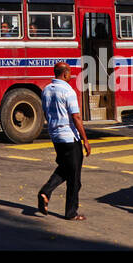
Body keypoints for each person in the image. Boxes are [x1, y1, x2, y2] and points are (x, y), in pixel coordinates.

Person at [38, 61, 90, 220]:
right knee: (74, 179)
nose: (71, 75)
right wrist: (85, 140)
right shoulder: (68, 91)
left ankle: (45, 192)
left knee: (65, 169)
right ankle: (71, 213)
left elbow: (46, 113)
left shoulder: (46, 90)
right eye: (70, 73)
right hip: (70, 138)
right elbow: (76, 117)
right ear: (65, 74)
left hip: (56, 137)